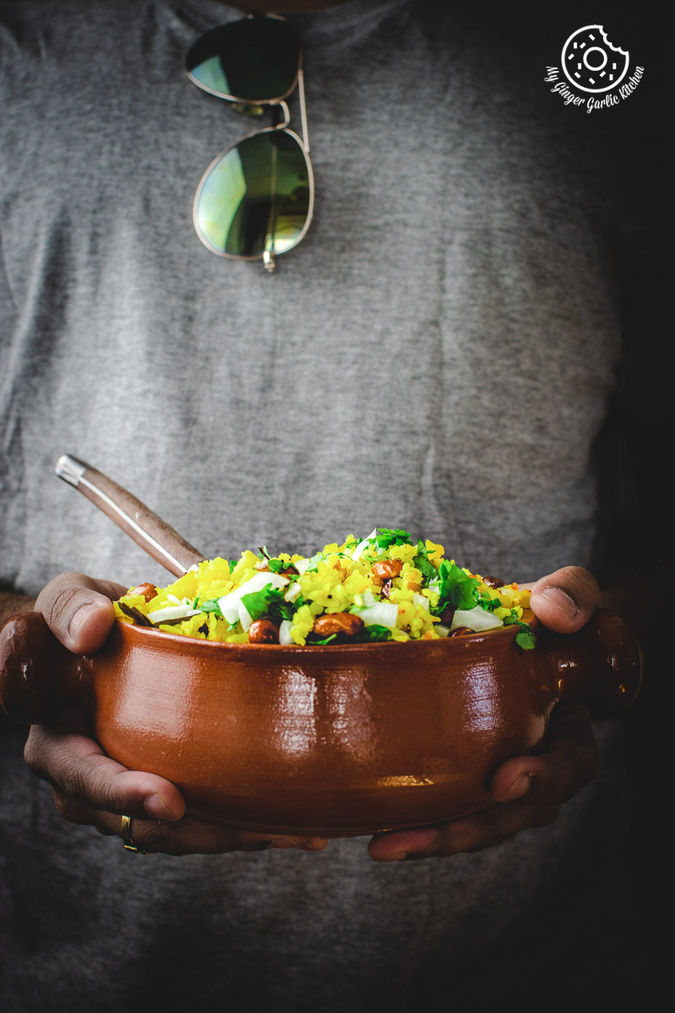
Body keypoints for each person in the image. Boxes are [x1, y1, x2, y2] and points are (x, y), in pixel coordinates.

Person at [0, 0, 667, 1009]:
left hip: (544, 958)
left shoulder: (618, 56)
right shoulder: (22, 50)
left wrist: (595, 654)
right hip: (71, 967)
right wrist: (28, 656)